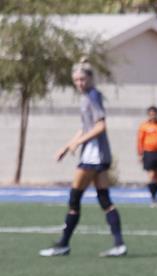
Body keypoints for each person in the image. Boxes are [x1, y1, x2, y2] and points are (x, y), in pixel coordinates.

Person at [40, 63, 126, 259]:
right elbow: (85, 127)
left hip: (93, 155)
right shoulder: (87, 97)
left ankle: (63, 244)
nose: (79, 83)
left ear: (90, 79)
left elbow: (100, 126)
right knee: (104, 199)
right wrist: (67, 146)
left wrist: (78, 143)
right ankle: (119, 244)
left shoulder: (92, 96)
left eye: (83, 79)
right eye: (76, 80)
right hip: (98, 154)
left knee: (74, 198)